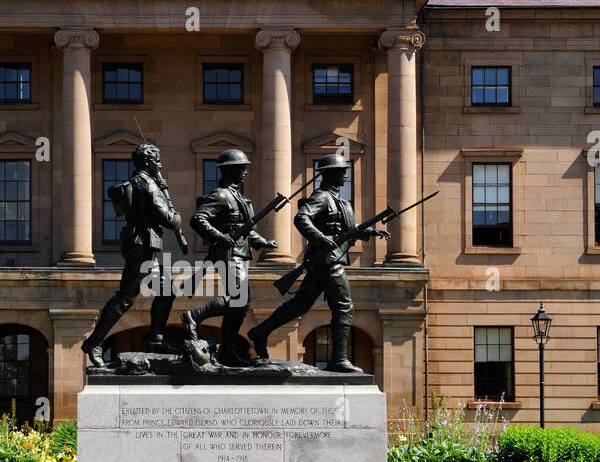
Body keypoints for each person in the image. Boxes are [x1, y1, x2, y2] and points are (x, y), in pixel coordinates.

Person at [246, 154, 388, 373]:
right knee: (343, 306)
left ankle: (261, 331)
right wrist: (321, 238)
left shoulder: (338, 200)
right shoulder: (322, 197)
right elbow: (301, 219)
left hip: (327, 261)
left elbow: (346, 228)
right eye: (341, 171)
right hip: (328, 262)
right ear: (330, 173)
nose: (345, 174)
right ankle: (339, 359)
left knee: (301, 304)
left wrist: (369, 231)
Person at [81, 142, 184, 367]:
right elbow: (168, 220)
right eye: (156, 160)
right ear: (147, 162)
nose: (160, 164)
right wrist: (176, 216)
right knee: (126, 297)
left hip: (143, 244)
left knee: (167, 290)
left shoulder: (139, 182)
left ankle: (156, 340)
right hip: (141, 244)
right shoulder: (147, 184)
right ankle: (94, 343)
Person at [181, 149, 277, 367]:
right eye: (240, 168)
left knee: (240, 306)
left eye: (244, 167)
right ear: (229, 170)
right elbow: (198, 219)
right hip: (227, 254)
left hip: (241, 254)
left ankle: (228, 351)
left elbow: (247, 229)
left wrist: (263, 242)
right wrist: (220, 237)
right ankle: (194, 316)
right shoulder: (221, 195)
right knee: (240, 299)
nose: (244, 172)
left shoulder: (242, 199)